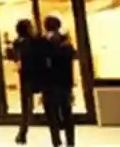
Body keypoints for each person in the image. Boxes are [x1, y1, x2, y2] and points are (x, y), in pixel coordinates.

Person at [39, 15, 77, 147]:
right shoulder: (66, 43)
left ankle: (56, 141)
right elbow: (70, 61)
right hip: (64, 84)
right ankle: (70, 142)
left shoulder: (42, 43)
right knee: (67, 113)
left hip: (49, 84)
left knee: (52, 115)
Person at [4, 19, 43, 145]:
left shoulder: (18, 43)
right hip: (34, 76)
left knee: (26, 106)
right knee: (29, 106)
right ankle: (23, 132)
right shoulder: (33, 42)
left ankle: (22, 132)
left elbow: (14, 57)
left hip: (25, 77)